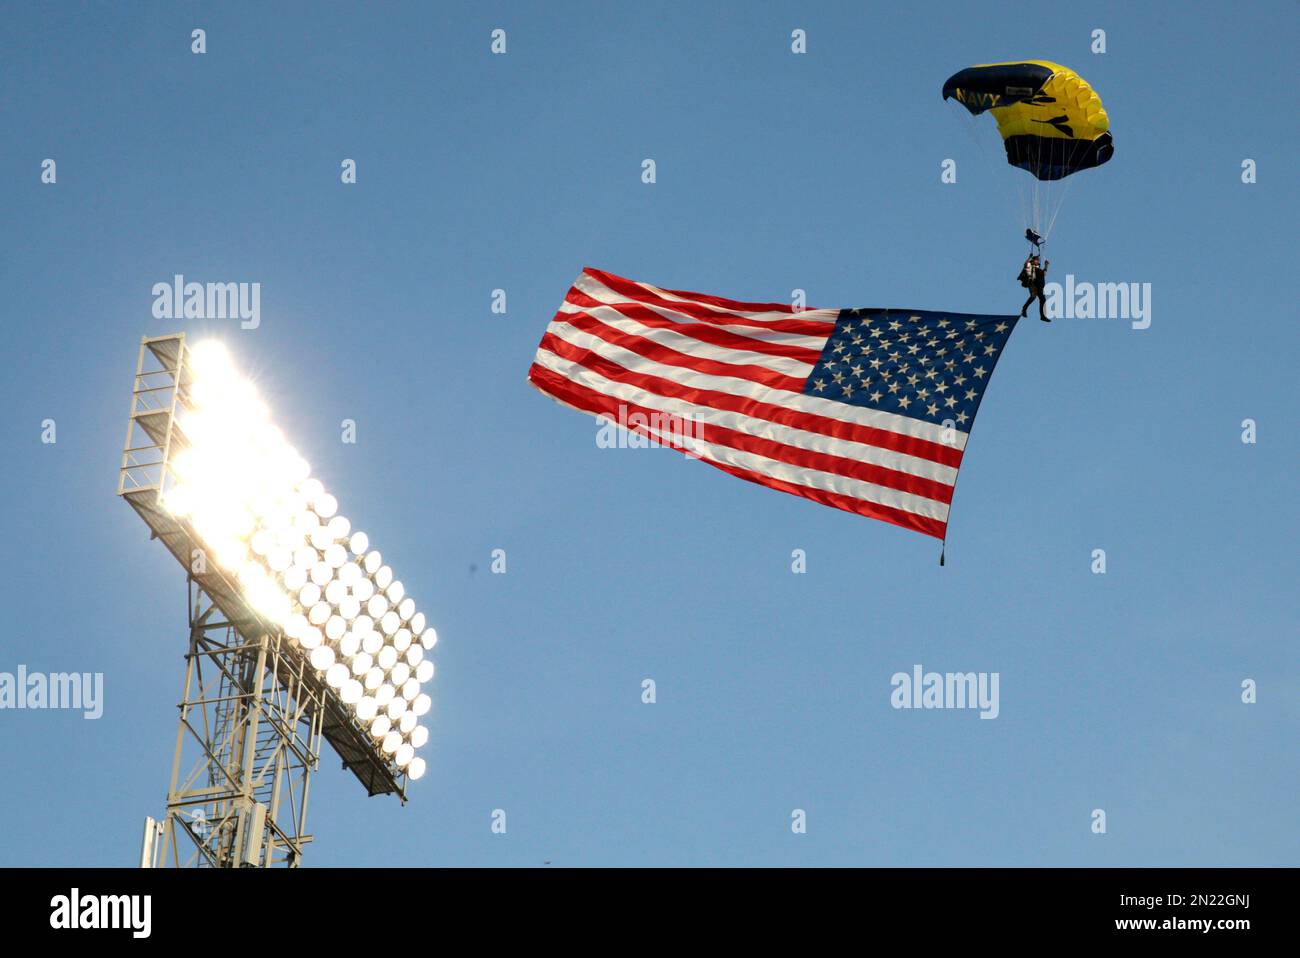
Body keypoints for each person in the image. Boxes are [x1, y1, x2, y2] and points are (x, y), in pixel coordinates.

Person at [1018, 254, 1050, 322]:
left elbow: (1044, 273)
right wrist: (1029, 257)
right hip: (1034, 284)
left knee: (1035, 298)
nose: (1038, 261)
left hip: (1039, 286)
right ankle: (1041, 315)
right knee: (1038, 298)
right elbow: (1026, 264)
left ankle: (1025, 309)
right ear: (1033, 261)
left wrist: (1046, 265)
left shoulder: (1037, 269)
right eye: (1037, 260)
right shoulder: (1030, 266)